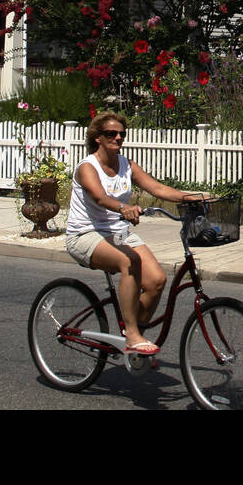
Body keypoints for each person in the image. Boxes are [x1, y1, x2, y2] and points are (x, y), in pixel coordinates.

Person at [65, 111, 203, 355]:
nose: (118, 138)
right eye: (111, 133)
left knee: (157, 281)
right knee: (130, 260)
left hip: (116, 233)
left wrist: (193, 197)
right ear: (97, 137)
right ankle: (131, 334)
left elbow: (158, 188)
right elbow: (100, 196)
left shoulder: (126, 165)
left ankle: (133, 341)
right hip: (85, 234)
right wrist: (123, 207)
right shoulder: (87, 167)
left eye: (121, 134)